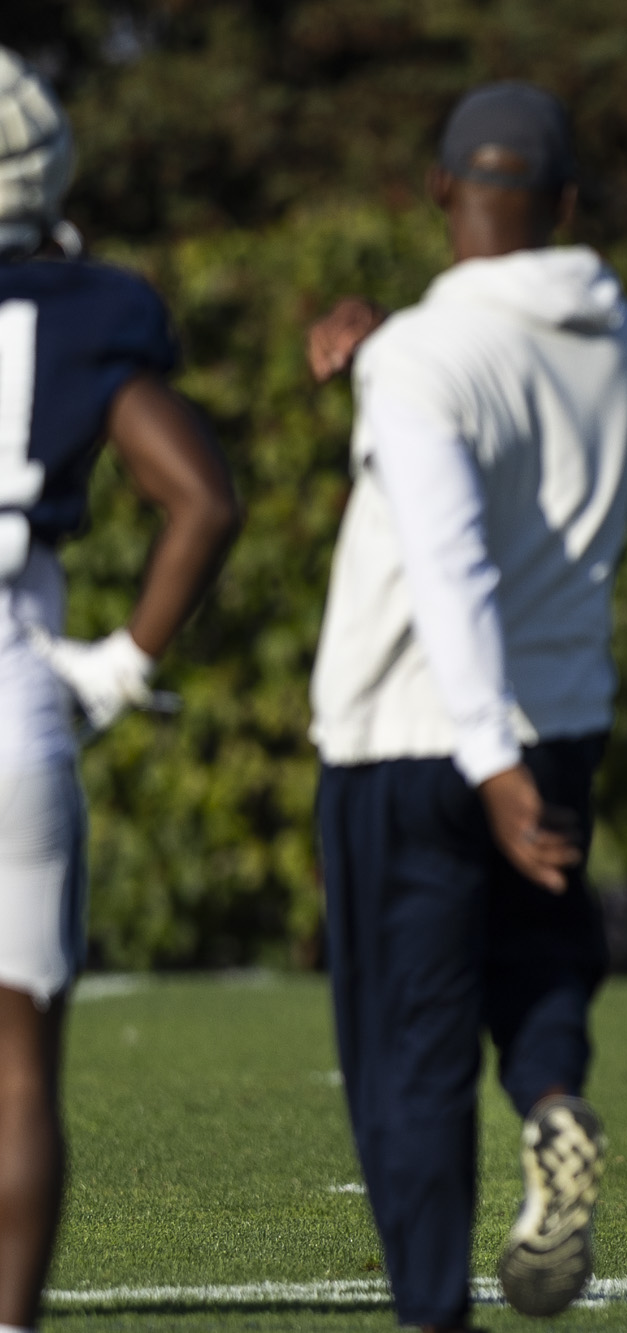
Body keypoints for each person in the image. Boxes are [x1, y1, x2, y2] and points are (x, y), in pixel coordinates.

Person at [305, 83, 627, 1328]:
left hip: (417, 737)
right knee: (540, 960)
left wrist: (483, 755)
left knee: (411, 1050)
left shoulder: (418, 355)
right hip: (563, 723)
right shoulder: (619, 333)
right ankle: (552, 1101)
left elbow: (448, 565)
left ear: (440, 190)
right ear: (566, 203)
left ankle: (431, 1312)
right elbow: (499, 366)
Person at [0, 49, 240, 1333]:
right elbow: (201, 500)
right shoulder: (91, 309)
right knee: (18, 1071)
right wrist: (120, 667)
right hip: (10, 696)